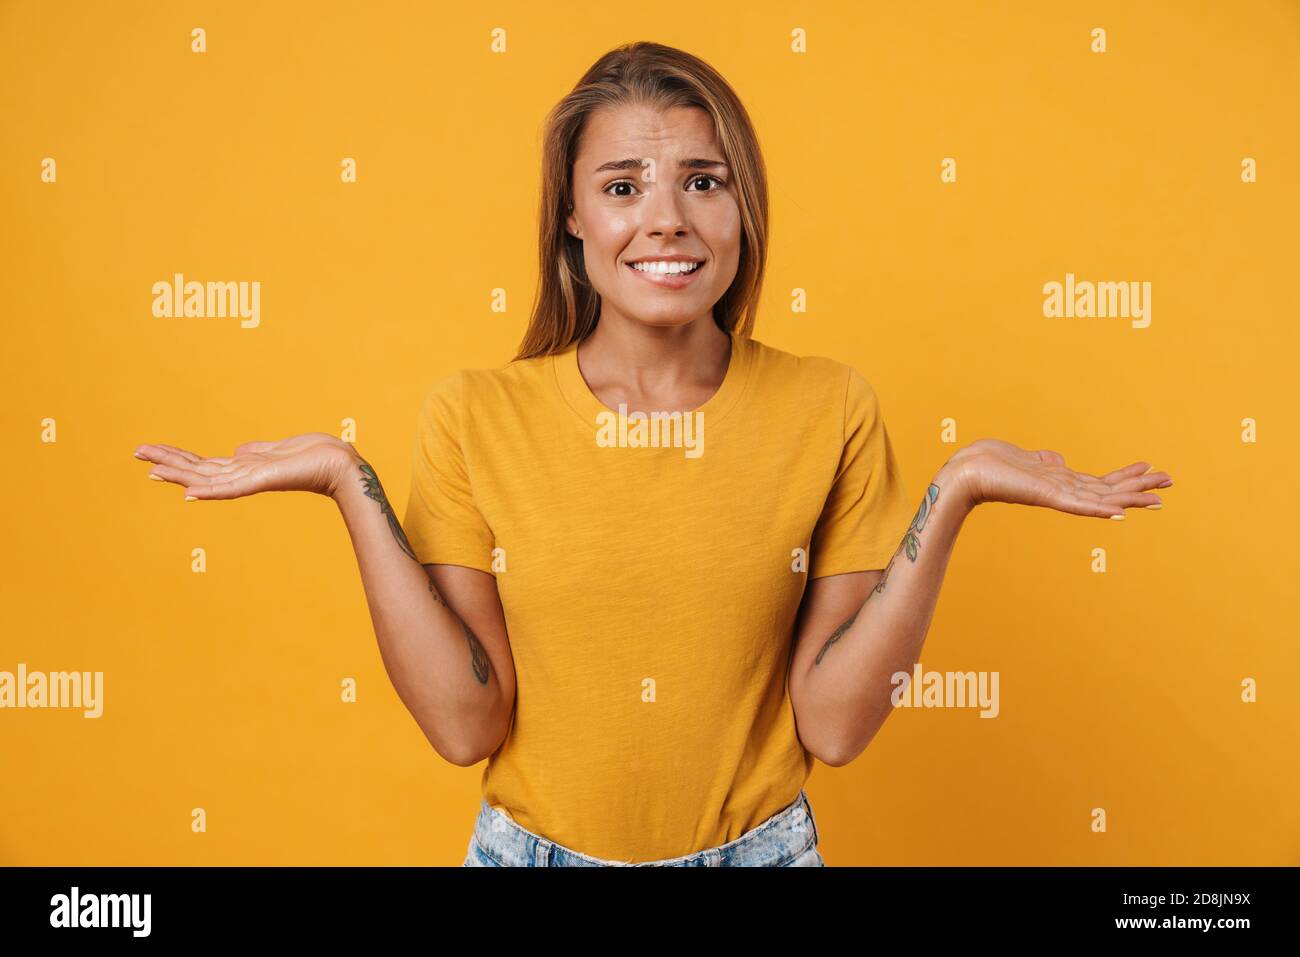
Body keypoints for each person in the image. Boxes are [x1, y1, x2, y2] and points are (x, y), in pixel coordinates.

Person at [133, 41, 1173, 867]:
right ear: (572, 222)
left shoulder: (830, 408)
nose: (666, 218)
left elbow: (836, 726)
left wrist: (952, 492)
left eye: (702, 181)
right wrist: (343, 481)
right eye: (623, 186)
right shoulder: (474, 415)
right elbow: (466, 725)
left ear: (743, 210)